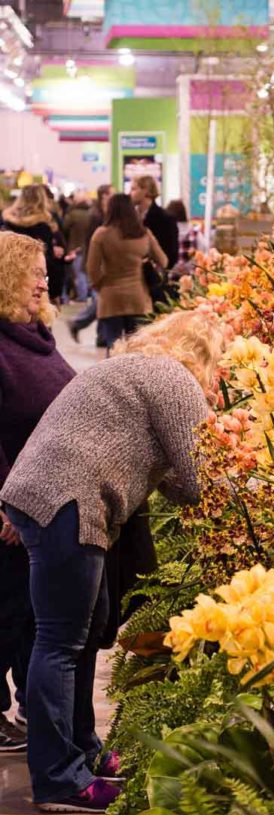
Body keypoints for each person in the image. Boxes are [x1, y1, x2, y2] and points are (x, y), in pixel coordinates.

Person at [0, 308, 224, 812]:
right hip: (69, 503)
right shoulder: (173, 379)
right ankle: (60, 779)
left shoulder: (129, 366)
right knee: (60, 640)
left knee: (84, 629)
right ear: (206, 354)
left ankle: (83, 752)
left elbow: (148, 458)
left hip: (40, 494)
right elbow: (199, 480)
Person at [0, 233, 76, 754]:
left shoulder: (37, 338)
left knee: (27, 616)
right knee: (4, 617)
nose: (44, 281)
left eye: (45, 271)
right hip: (11, 514)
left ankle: (32, 707)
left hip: (41, 507)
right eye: (33, 271)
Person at [86, 192, 167, 350]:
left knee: (114, 348)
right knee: (137, 349)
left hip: (110, 297)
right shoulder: (143, 233)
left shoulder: (101, 234)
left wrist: (99, 284)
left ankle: (113, 376)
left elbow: (92, 267)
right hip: (138, 297)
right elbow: (163, 260)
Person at [0, 184, 67, 305]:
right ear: (42, 199)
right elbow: (47, 262)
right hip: (36, 284)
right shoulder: (43, 226)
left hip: (9, 280)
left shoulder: (7, 223)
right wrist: (55, 290)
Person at [68, 183, 113, 344]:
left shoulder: (102, 214)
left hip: (103, 261)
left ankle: (100, 334)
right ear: (104, 196)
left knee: (103, 299)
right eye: (111, 194)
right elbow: (92, 241)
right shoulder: (96, 215)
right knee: (101, 298)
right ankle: (83, 325)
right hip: (97, 262)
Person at [130, 175, 179, 271]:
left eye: (133, 189)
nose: (130, 193)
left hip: (155, 276)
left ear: (145, 190)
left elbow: (171, 254)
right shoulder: (130, 217)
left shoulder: (166, 219)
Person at [63, 191, 92, 302]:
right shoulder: (92, 213)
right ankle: (87, 294)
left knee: (79, 273)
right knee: (86, 273)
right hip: (87, 246)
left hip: (74, 247)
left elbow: (64, 228)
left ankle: (82, 296)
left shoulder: (72, 214)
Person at [166, 199, 205, 279]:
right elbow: (203, 250)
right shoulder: (194, 231)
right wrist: (188, 266)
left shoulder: (166, 231)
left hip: (170, 276)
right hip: (191, 277)